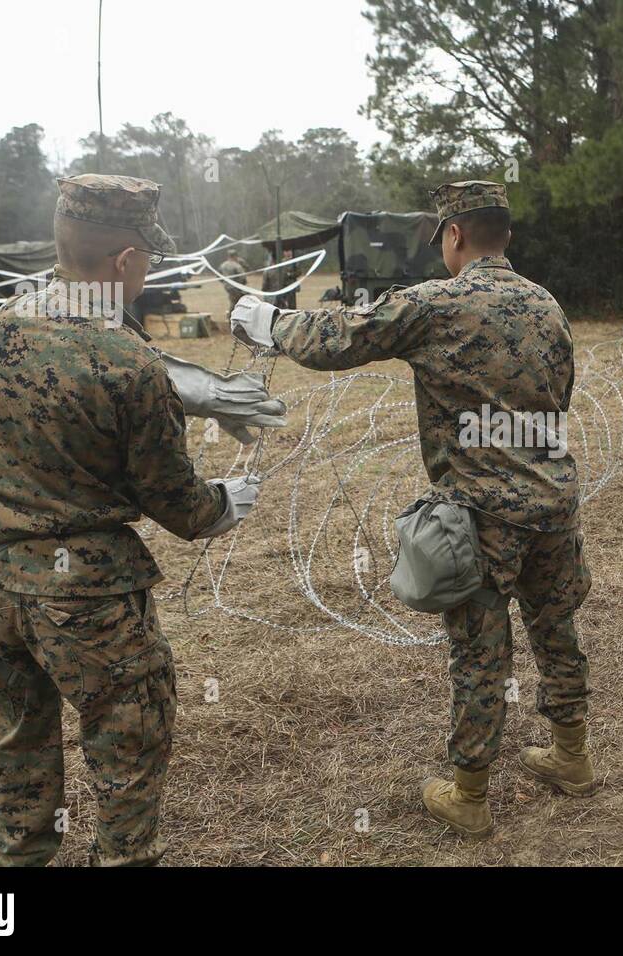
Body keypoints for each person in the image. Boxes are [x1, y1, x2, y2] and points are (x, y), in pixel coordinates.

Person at [230, 181, 595, 839]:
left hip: (484, 511)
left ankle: (470, 794)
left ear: (454, 236)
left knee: (482, 656)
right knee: (555, 627)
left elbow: (339, 340)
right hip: (554, 501)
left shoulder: (436, 304)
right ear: (502, 235)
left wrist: (270, 323)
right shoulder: (547, 304)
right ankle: (573, 758)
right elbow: (560, 395)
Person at [0, 173, 265, 866]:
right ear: (125, 261)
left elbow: (52, 408)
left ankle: (14, 865)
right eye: (148, 258)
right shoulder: (129, 359)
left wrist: (187, 393)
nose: (149, 270)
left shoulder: (8, 324)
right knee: (128, 741)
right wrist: (227, 502)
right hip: (85, 599)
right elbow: (176, 503)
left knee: (21, 745)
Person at [219, 248, 248, 313]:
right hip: (236, 288)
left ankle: (232, 316)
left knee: (233, 301)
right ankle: (232, 317)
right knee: (236, 303)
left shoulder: (223, 265)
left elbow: (218, 276)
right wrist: (242, 286)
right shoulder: (237, 265)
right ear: (235, 256)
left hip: (227, 287)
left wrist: (224, 282)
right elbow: (243, 278)